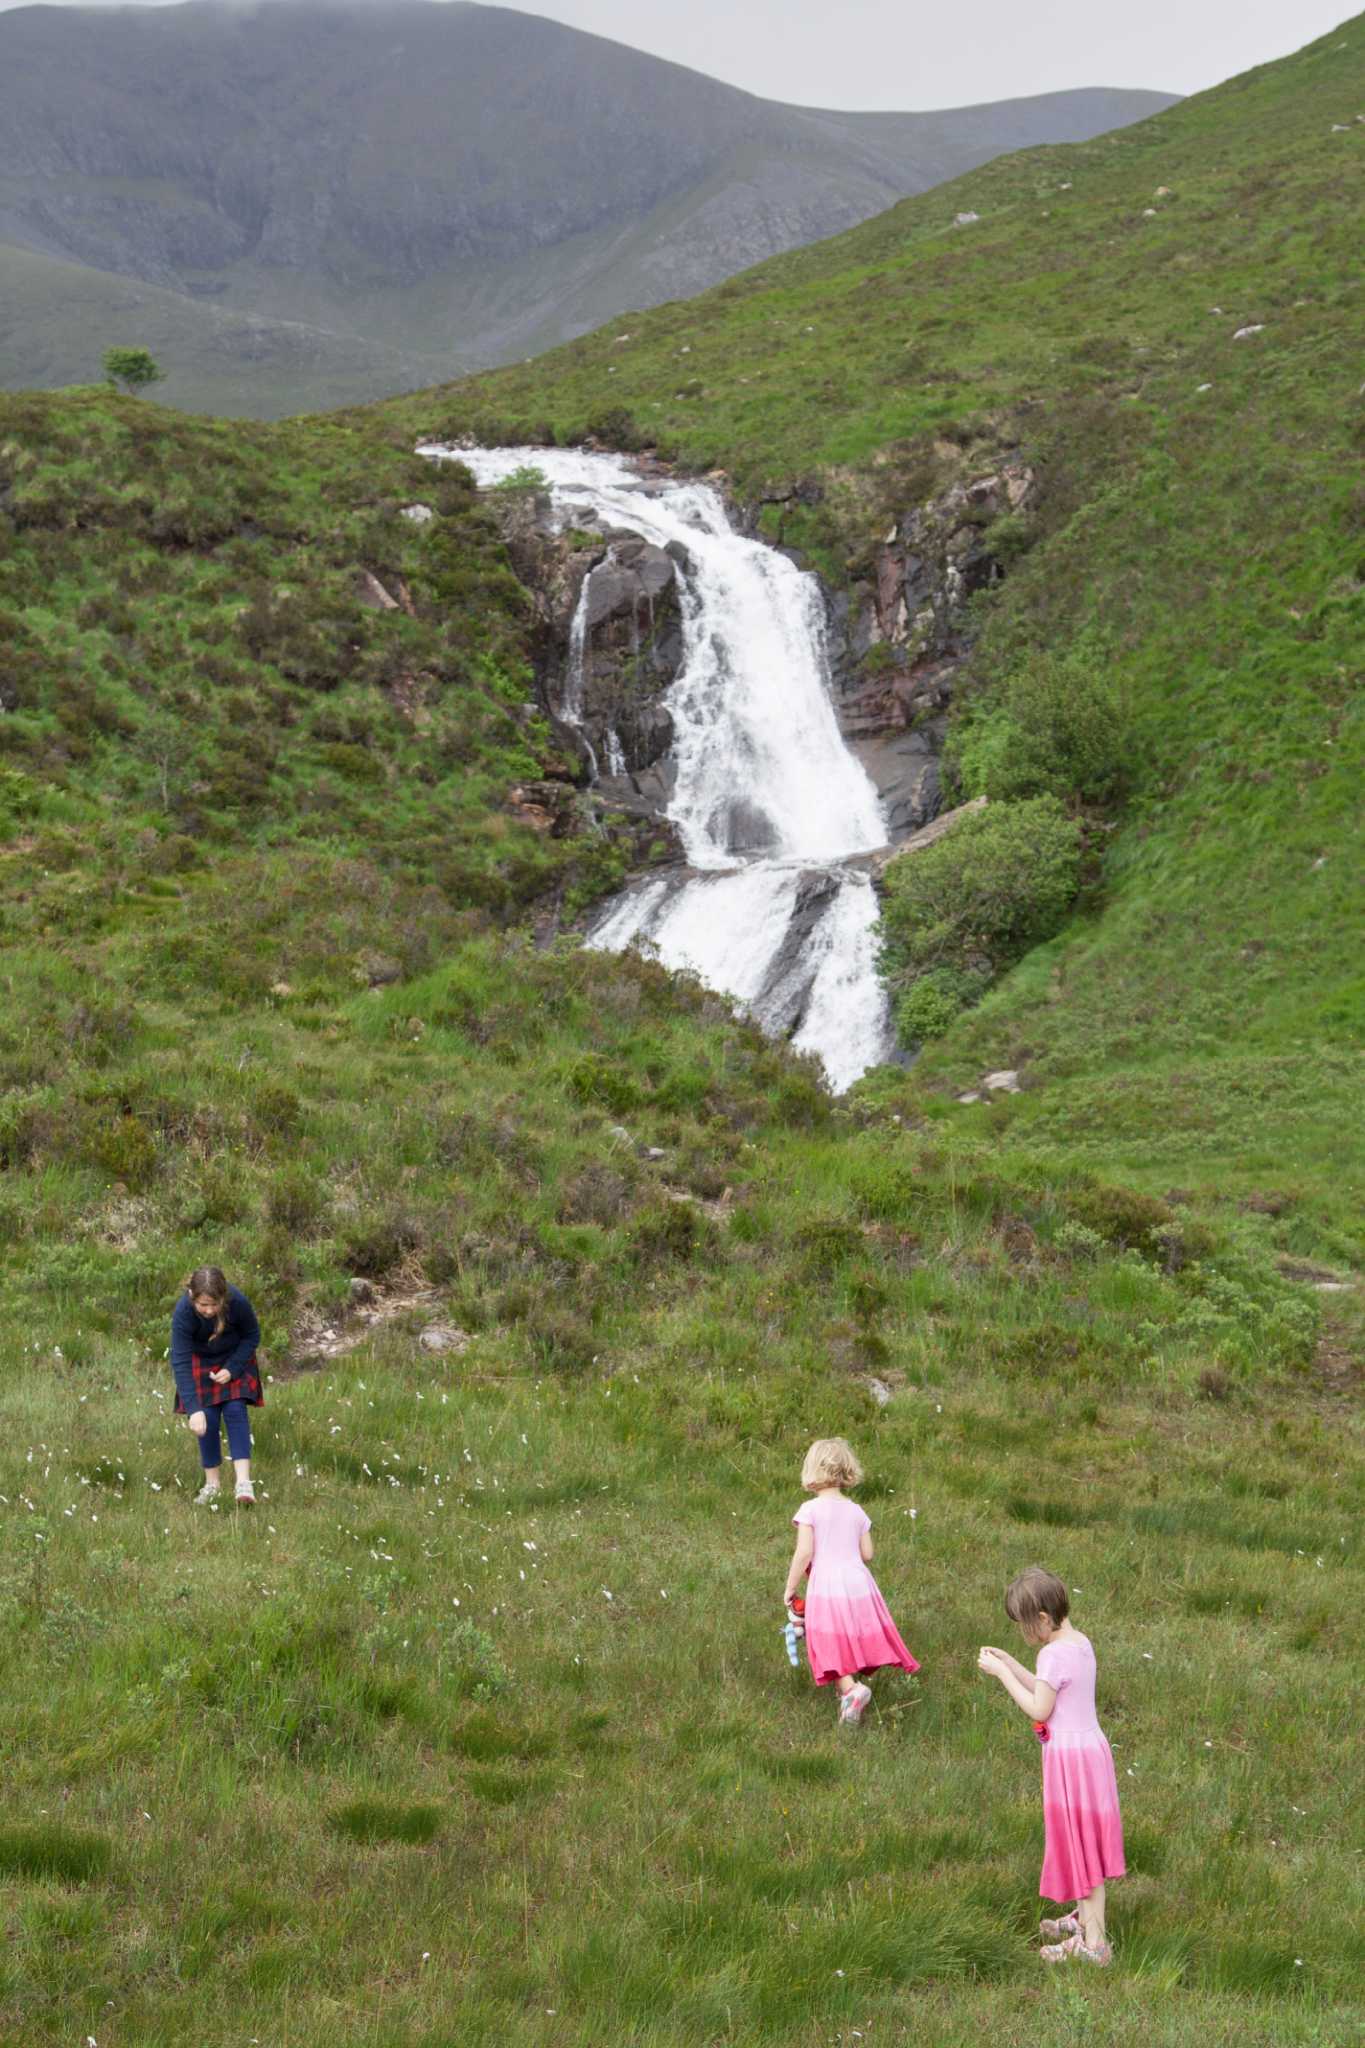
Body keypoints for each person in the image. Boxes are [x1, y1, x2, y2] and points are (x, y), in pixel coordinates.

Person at [978, 1566, 1125, 1965]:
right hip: (1090, 1755)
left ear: (1042, 1619)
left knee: (1081, 1847)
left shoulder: (1051, 1653)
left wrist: (1003, 1674)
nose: (1023, 1634)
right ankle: (1086, 1920)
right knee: (1086, 1842)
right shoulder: (1079, 1643)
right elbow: (1050, 1685)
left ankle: (1094, 1945)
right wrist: (1012, 1662)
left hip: (1070, 1764)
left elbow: (1040, 1706)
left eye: (1024, 1626)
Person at [783, 1436, 920, 1725]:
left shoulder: (810, 1509)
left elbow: (805, 1552)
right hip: (859, 1583)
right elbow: (868, 1553)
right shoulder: (857, 1511)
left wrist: (791, 1587)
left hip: (828, 1584)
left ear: (813, 1470)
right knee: (849, 1635)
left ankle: (851, 1689)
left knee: (826, 1639)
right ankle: (847, 1700)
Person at [170, 1266, 263, 1507]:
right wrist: (193, 1409)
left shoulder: (237, 1301)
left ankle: (244, 1483)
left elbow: (252, 1335)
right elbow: (180, 1359)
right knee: (207, 1419)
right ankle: (212, 1485)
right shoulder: (183, 1312)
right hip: (200, 1361)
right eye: (203, 1305)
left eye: (214, 1304)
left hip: (234, 1358)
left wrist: (232, 1368)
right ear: (192, 1295)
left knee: (235, 1410)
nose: (210, 1311)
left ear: (223, 1297)